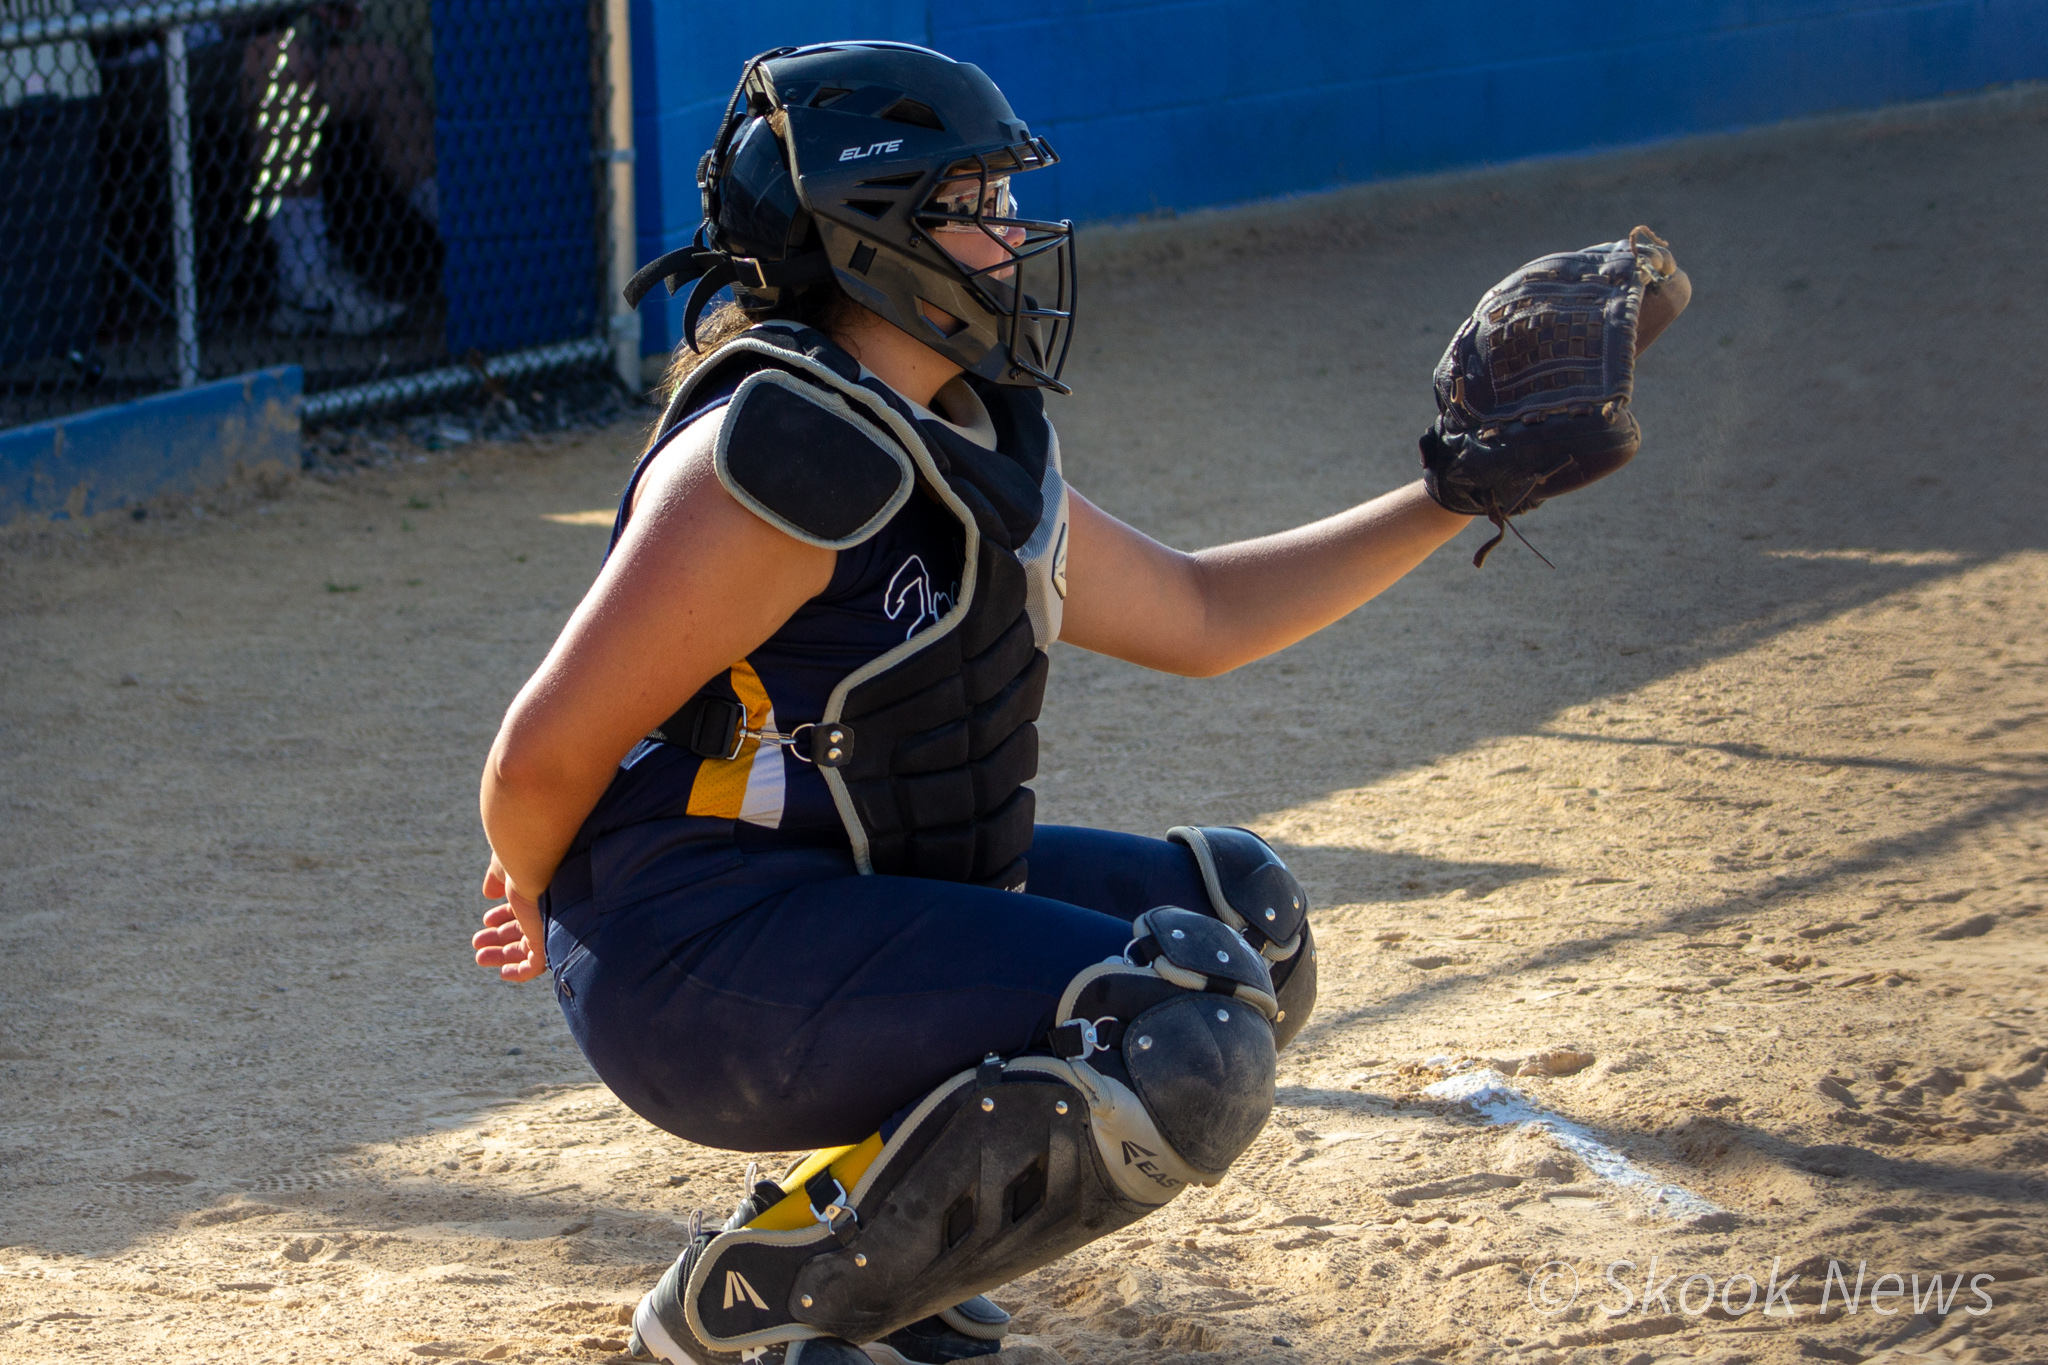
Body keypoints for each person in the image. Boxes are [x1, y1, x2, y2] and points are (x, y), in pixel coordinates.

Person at [470, 41, 1653, 1365]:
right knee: (1178, 1022)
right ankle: (773, 1295)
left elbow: (1201, 612)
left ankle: (886, 1252)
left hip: (839, 892)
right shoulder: (782, 455)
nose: (1016, 232)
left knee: (1242, 920)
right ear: (871, 234)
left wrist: (1451, 492)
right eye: (976, 203)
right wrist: (529, 879)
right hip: (696, 960)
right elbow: (540, 754)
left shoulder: (961, 431)